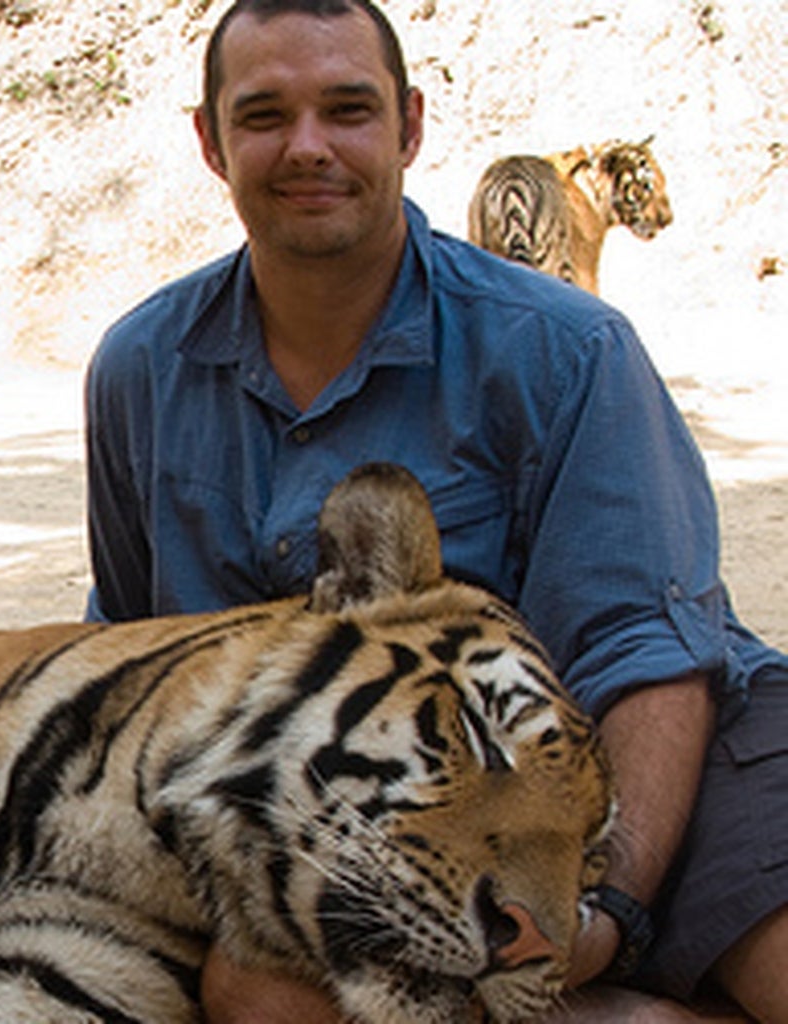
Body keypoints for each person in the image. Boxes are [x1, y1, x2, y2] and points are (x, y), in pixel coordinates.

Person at [83, 0, 788, 1020]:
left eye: (347, 109)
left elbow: (647, 656)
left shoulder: (564, 348)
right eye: (265, 115)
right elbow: (131, 651)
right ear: (210, 140)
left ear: (408, 127)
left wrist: (601, 918)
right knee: (259, 999)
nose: (308, 146)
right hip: (388, 809)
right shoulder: (139, 369)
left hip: (658, 753)